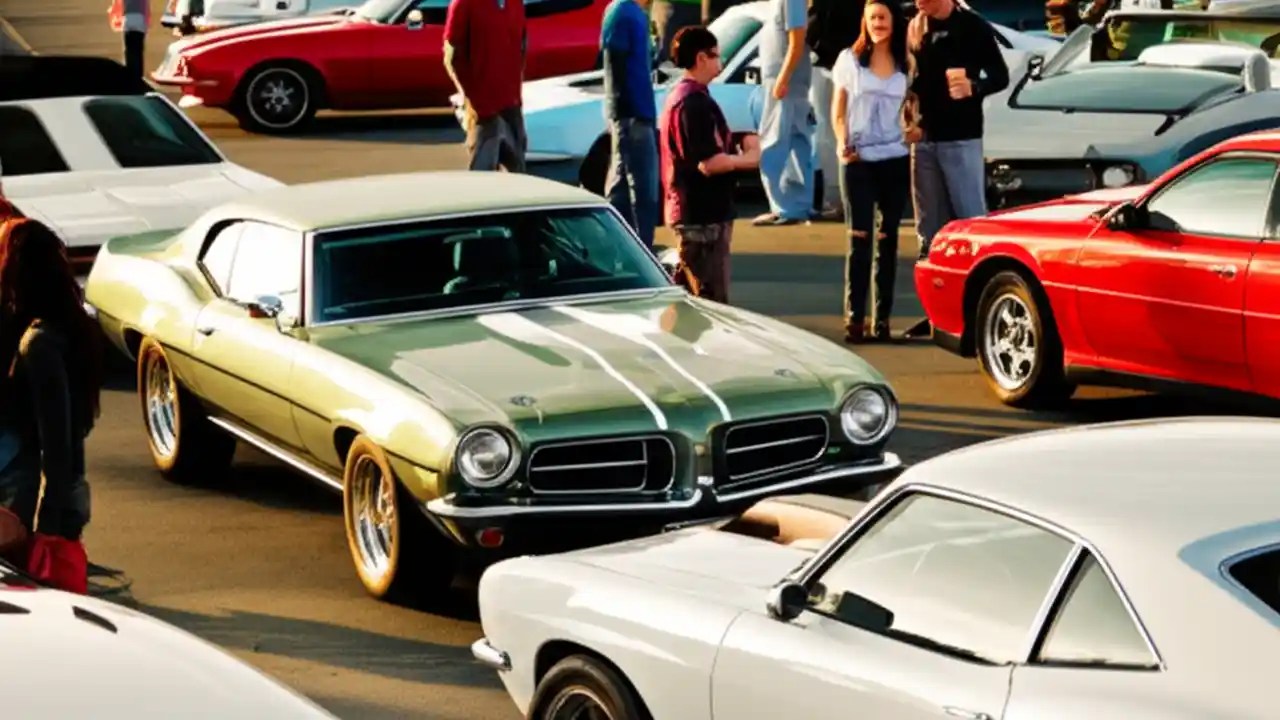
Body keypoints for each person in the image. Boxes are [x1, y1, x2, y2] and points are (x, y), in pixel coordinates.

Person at [901, 0, 1007, 339]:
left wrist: (974, 87)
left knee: (970, 224)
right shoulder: (916, 25)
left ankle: (979, 314)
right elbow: (909, 80)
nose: (919, 2)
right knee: (930, 230)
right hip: (923, 138)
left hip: (961, 137)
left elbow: (1000, 75)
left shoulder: (972, 26)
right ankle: (936, 316)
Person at [0, 218, 101, 551]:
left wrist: (47, 529)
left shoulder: (39, 343)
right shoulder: (68, 327)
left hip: (26, 496)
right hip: (55, 490)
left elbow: (55, 443)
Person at [659, 26, 761, 303]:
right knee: (711, 303)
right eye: (716, 56)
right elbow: (709, 162)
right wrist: (748, 159)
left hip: (693, 212)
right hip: (703, 217)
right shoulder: (693, 103)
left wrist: (738, 139)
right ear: (701, 58)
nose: (720, 62)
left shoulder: (685, 97)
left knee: (689, 298)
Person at [833, 0, 912, 344]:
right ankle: (855, 317)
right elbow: (839, 110)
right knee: (860, 239)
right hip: (859, 160)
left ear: (894, 22)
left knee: (888, 239)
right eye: (872, 19)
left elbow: (913, 107)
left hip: (895, 157)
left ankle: (882, 319)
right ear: (864, 23)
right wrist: (841, 142)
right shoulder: (849, 60)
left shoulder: (907, 61)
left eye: (883, 17)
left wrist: (914, 129)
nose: (878, 24)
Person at [602, 0, 660, 249]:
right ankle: (639, 249)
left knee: (624, 186)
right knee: (641, 189)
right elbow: (614, 63)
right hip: (632, 114)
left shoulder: (635, 14)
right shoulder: (621, 11)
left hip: (638, 111)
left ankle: (620, 248)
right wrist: (625, 111)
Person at [445, 0, 528, 172]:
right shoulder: (464, 4)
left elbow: (520, 48)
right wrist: (472, 100)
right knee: (482, 180)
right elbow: (451, 58)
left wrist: (515, 94)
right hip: (483, 111)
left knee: (519, 178)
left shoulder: (515, 3)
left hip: (512, 106)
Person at [752, 0, 814, 226]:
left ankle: (786, 207)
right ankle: (794, 206)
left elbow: (796, 40)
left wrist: (783, 77)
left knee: (775, 143)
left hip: (784, 83)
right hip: (786, 82)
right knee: (795, 143)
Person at [808, 0, 866, 221]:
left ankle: (840, 200)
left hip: (830, 66)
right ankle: (854, 198)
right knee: (853, 130)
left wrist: (820, 48)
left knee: (830, 133)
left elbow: (812, 27)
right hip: (857, 64)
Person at [107, 0, 149, 80]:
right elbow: (146, 7)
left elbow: (116, 5)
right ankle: (139, 78)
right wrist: (147, 22)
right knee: (138, 51)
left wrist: (114, 19)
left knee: (128, 51)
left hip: (128, 18)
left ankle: (129, 77)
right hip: (140, 19)